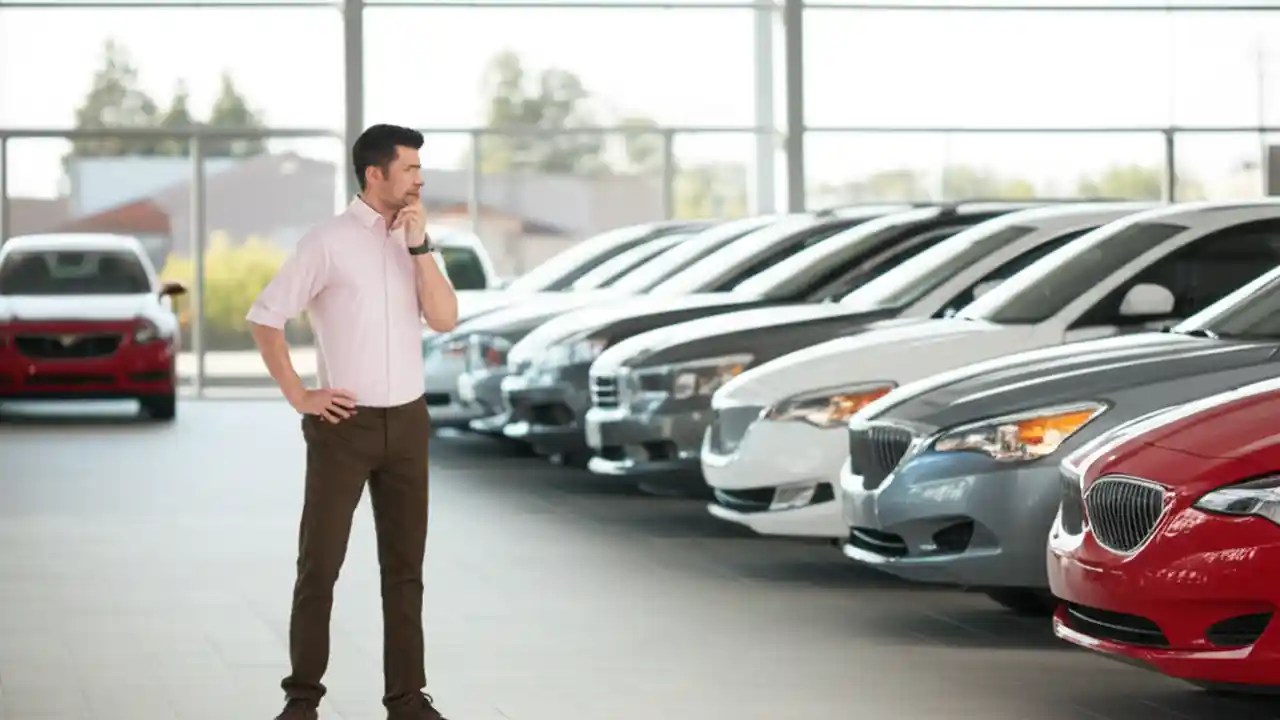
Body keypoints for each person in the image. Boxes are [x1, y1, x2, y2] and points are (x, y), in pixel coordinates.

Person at [246, 123, 459, 720]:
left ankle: (407, 699)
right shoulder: (328, 241)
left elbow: (444, 319)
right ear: (376, 174)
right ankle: (302, 701)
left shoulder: (414, 240)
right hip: (345, 427)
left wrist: (420, 248)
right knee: (320, 568)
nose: (420, 178)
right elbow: (266, 318)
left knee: (405, 572)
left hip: (408, 425)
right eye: (411, 168)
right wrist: (299, 395)